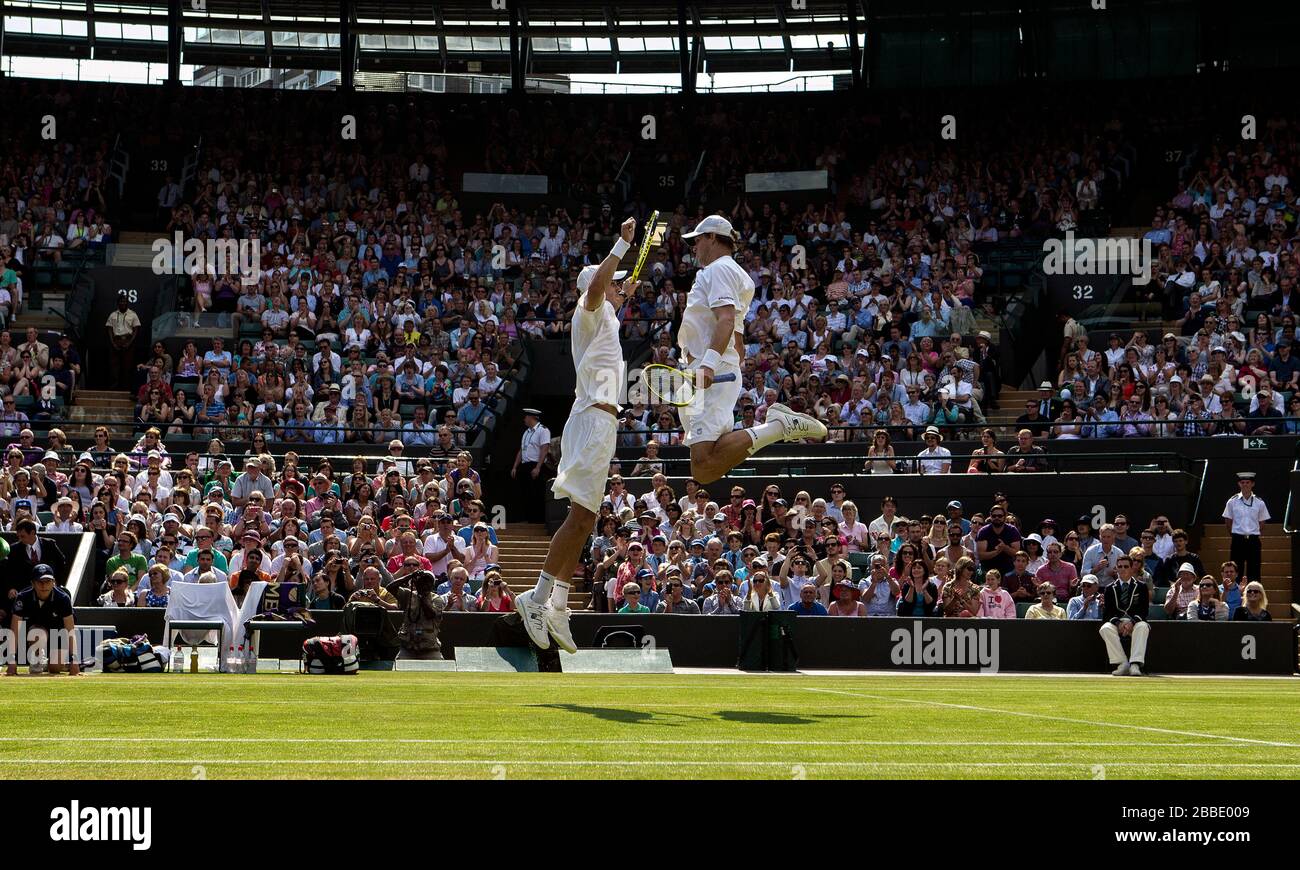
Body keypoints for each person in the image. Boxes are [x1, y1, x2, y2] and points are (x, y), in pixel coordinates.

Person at [516, 218, 636, 654]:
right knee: (578, 518)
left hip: (601, 423)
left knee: (585, 519)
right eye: (614, 284)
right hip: (590, 421)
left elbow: (611, 297)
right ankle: (536, 597)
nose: (620, 288)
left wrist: (623, 293)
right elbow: (601, 288)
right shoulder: (589, 309)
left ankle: (560, 606)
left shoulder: (606, 317)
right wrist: (622, 243)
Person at [675, 214, 825, 485]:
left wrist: (709, 364)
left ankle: (778, 427)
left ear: (711, 237)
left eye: (696, 241)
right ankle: (777, 426)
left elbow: (726, 320)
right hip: (709, 369)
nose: (693, 248)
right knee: (705, 467)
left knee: (703, 465)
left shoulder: (719, 269)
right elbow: (738, 336)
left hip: (710, 369)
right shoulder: (735, 274)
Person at [5, 564, 79, 675]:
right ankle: (38, 660)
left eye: (48, 581)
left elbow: (70, 630)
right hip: (34, 634)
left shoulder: (63, 599)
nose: (44, 585)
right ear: (33, 583)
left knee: (55, 668)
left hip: (58, 633)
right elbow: (14, 630)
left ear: (53, 582)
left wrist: (75, 659)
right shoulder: (23, 598)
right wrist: (12, 659)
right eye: (40, 582)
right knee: (37, 634)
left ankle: (64, 664)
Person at [1098, 554, 1151, 676]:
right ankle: (1122, 663)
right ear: (1116, 568)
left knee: (1143, 626)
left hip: (1135, 622)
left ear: (1132, 568)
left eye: (1126, 566)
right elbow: (1108, 613)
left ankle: (1135, 664)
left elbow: (1144, 611)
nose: (1122, 569)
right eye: (1120, 566)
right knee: (1105, 628)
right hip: (1118, 622)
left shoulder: (1141, 587)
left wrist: (1132, 623)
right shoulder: (1109, 588)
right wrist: (1118, 623)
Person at [385, 570, 444, 660]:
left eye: (429, 582)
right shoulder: (408, 595)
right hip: (408, 648)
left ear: (433, 585)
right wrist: (410, 576)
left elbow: (430, 614)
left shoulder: (437, 599)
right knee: (399, 670)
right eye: (423, 581)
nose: (425, 585)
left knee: (441, 671)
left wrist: (421, 596)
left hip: (429, 649)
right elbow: (390, 587)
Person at [1222, 471, 1269, 583]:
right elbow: (1228, 520)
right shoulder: (1232, 501)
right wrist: (1235, 534)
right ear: (1239, 484)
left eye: (1248, 482)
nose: (1245, 485)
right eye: (1242, 482)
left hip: (1253, 540)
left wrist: (1253, 533)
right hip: (1238, 539)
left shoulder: (1259, 502)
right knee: (1235, 570)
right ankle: (1235, 597)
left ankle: (1254, 595)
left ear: (1252, 484)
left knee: (1254, 569)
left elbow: (1262, 522)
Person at [512, 407, 552, 523]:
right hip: (525, 465)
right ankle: (527, 518)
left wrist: (538, 467)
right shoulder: (526, 432)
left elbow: (544, 449)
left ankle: (537, 520)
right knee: (525, 493)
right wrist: (515, 466)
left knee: (536, 493)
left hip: (536, 465)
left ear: (531, 417)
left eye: (526, 417)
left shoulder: (543, 430)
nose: (524, 419)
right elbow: (521, 450)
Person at [106, 294, 142, 388]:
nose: (123, 303)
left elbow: (136, 330)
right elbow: (109, 329)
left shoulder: (133, 314)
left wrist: (129, 343)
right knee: (114, 366)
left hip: (128, 341)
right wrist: (113, 343)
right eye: (121, 301)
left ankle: (126, 388)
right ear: (118, 303)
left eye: (125, 301)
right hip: (116, 340)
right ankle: (114, 388)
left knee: (127, 366)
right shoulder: (113, 314)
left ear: (127, 303)